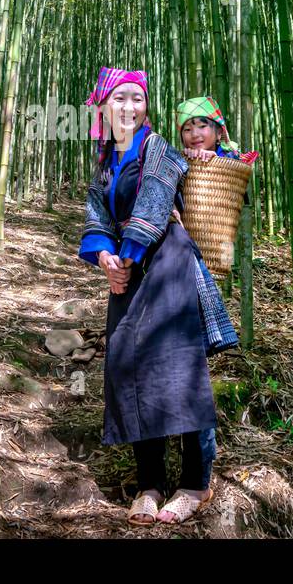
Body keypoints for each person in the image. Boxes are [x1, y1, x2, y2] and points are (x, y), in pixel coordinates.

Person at [77, 67, 218, 525]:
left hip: (167, 262)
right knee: (129, 366)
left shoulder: (155, 147)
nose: (130, 107)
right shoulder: (104, 161)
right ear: (103, 107)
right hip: (128, 268)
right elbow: (96, 216)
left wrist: (128, 254)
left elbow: (157, 200)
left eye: (137, 99)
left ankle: (196, 483)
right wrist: (104, 258)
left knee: (179, 367)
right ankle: (149, 483)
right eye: (120, 98)